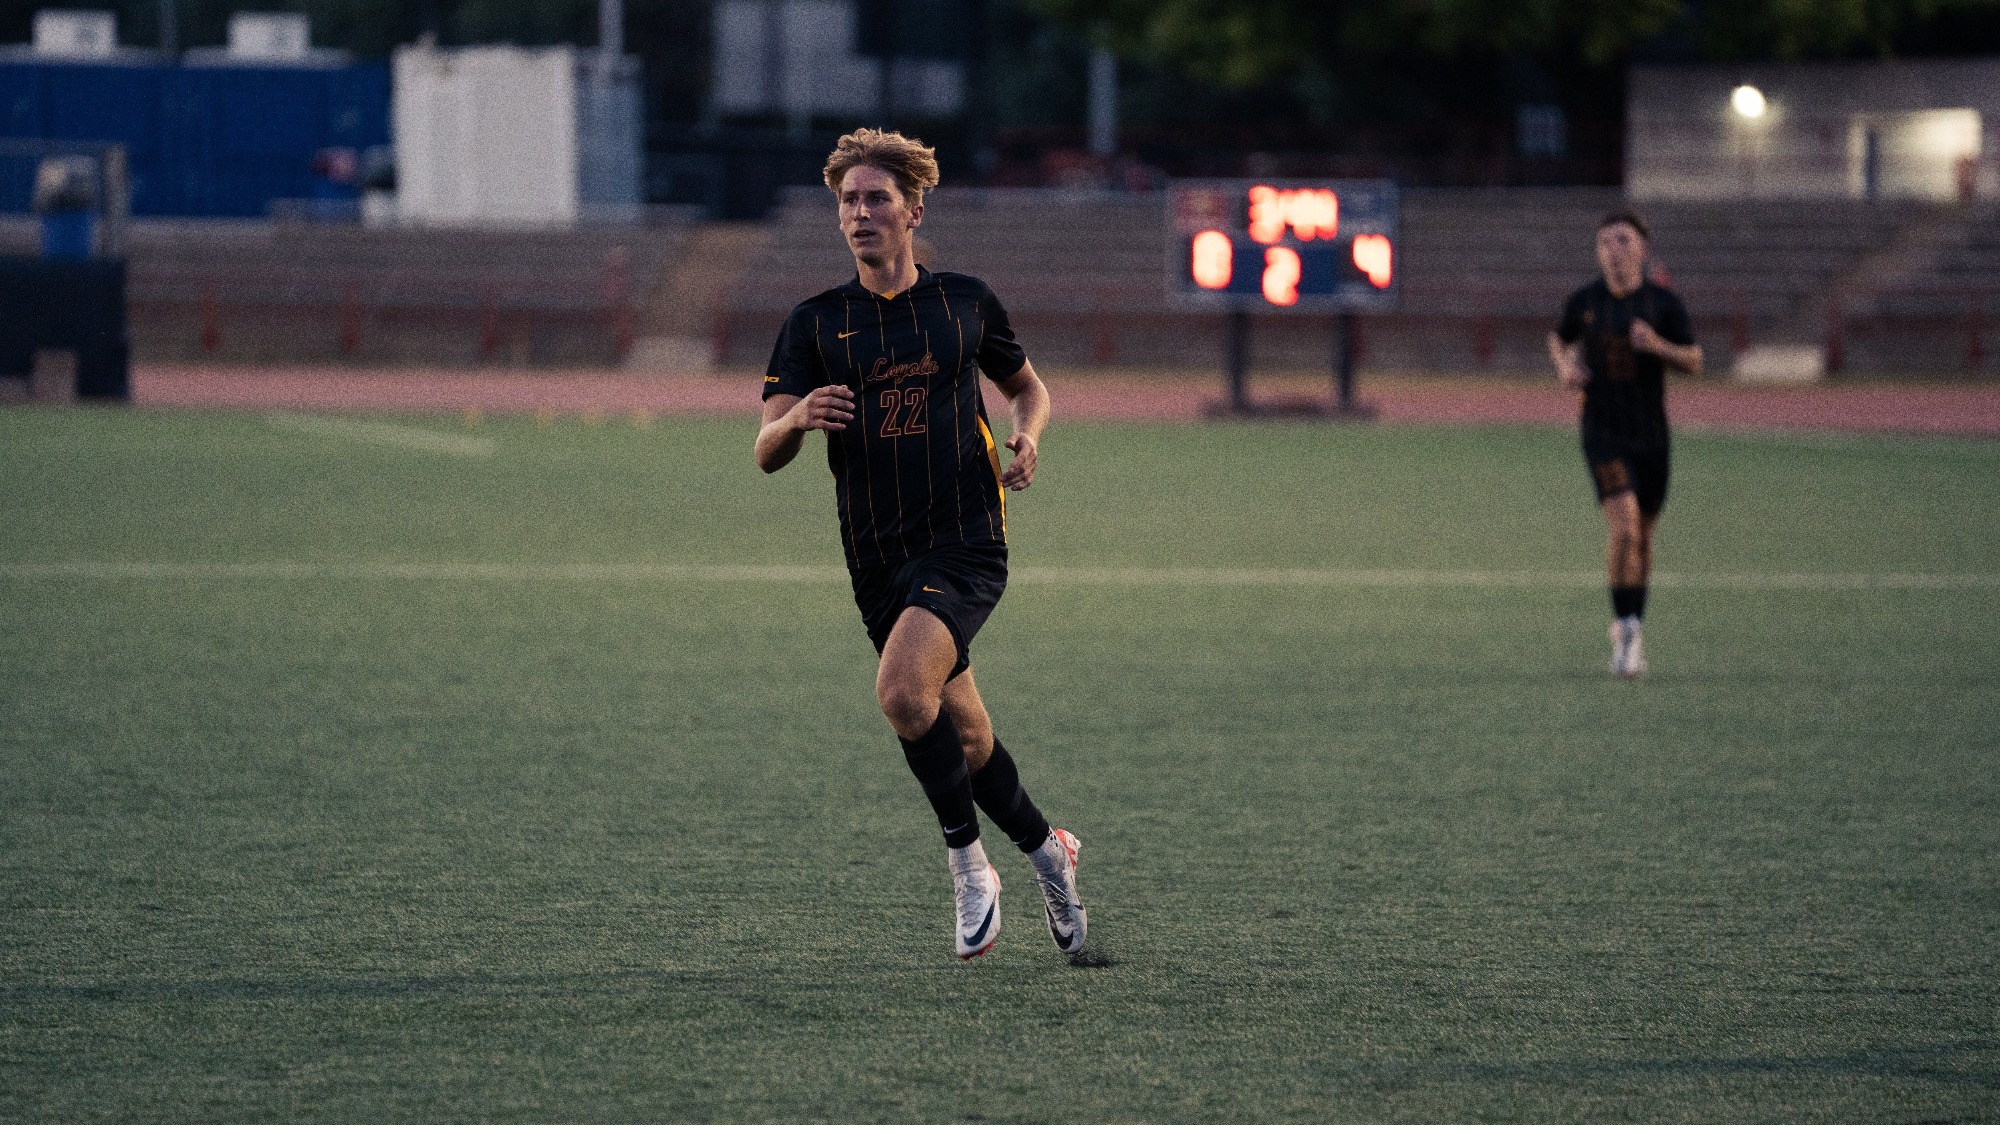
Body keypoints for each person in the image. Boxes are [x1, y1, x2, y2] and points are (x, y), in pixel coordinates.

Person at [754, 129, 1086, 960]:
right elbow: (765, 448)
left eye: (875, 199)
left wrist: (1028, 434)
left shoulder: (965, 302)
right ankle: (1049, 849)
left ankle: (970, 864)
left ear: (913, 209)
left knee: (903, 692)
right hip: (876, 556)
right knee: (966, 737)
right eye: (847, 202)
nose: (859, 214)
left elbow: (1028, 387)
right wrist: (796, 418)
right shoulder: (816, 323)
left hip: (966, 539)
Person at [1547, 209, 1704, 678]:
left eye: (1623, 240)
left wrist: (1658, 346)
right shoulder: (1586, 301)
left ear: (1642, 248)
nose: (1614, 250)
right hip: (1602, 431)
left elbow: (1695, 360)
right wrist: (1565, 368)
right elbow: (1559, 337)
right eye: (1605, 242)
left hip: (1651, 436)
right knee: (1625, 529)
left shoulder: (1663, 305)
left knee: (1645, 537)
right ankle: (1626, 630)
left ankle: (1633, 623)